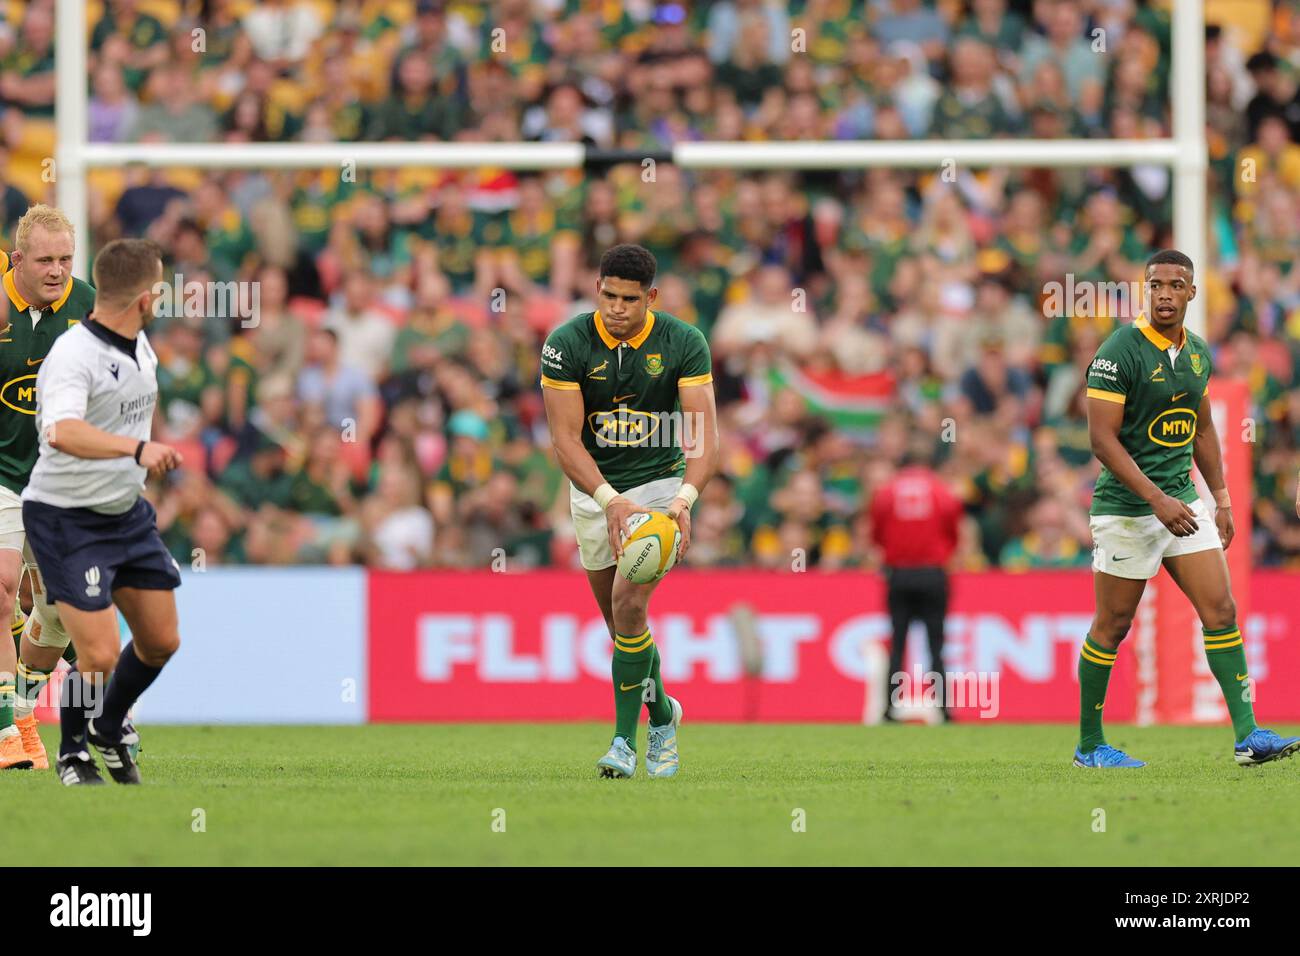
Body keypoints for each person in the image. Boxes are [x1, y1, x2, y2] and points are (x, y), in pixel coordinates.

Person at [1078, 249, 1299, 768]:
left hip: (1182, 501)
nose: (1164, 294)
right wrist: (1156, 500)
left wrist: (1220, 498)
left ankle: (1248, 736)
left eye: (1176, 286)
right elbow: (1101, 441)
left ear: (1192, 293)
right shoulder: (1118, 352)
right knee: (1112, 624)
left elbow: (1200, 428)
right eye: (1155, 285)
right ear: (1145, 290)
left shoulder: (1198, 353)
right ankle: (1089, 746)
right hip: (1129, 510)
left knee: (1220, 609)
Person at [540, 244, 718, 778]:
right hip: (595, 490)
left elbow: (704, 438)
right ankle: (663, 713)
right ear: (598, 289)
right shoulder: (566, 343)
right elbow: (566, 442)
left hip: (660, 485)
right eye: (609, 295)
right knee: (621, 626)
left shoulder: (684, 342)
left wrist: (684, 501)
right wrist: (608, 501)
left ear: (651, 298)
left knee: (630, 606)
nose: (617, 307)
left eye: (630, 299)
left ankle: (623, 743)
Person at [22, 238, 184, 785]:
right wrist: (138, 451)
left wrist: (138, 466)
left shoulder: (142, 348)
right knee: (98, 655)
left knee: (162, 640)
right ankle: (72, 753)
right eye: (158, 288)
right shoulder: (74, 355)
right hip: (66, 517)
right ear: (144, 297)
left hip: (125, 514)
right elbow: (62, 431)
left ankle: (107, 727)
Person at [0, 205, 96, 770]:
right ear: (17, 261)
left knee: (58, 610)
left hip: (59, 479)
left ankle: (24, 717)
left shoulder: (88, 308)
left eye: (65, 258)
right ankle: (3, 730)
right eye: (45, 260)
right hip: (2, 471)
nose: (58, 270)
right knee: (4, 580)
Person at [868, 445, 963, 721]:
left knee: (898, 642)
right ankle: (944, 709)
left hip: (899, 573)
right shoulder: (942, 491)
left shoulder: (885, 492)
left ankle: (888, 708)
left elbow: (876, 532)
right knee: (936, 644)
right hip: (933, 573)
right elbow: (953, 532)